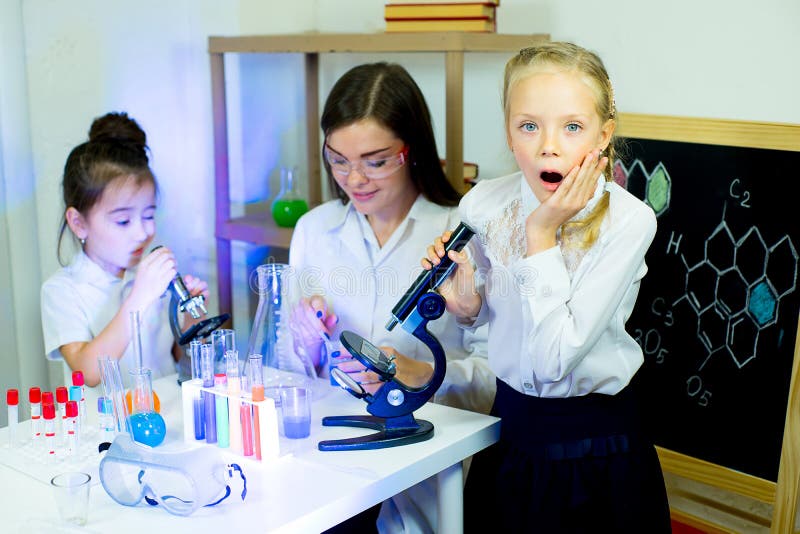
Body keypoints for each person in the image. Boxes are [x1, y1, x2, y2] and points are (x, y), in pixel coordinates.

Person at [423, 42, 671, 532]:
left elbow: (554, 360)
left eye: (572, 127)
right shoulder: (482, 206)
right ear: (508, 131)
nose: (548, 147)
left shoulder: (629, 221)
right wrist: (468, 307)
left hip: (598, 447)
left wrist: (540, 234)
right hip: (511, 433)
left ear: (604, 135)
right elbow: (492, 318)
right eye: (528, 125)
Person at [288, 62, 495, 533]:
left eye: (376, 161)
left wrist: (420, 372)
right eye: (338, 159)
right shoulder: (313, 230)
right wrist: (306, 341)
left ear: (411, 150)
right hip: (327, 471)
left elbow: (494, 382)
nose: (354, 178)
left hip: (424, 473)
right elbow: (288, 375)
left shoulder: (460, 236)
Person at [41, 112, 208, 388]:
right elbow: (88, 373)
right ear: (79, 223)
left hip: (170, 408)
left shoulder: (151, 278)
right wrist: (140, 296)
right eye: (123, 221)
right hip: (107, 417)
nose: (143, 232)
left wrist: (191, 318)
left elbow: (180, 357)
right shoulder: (62, 291)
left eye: (149, 215)